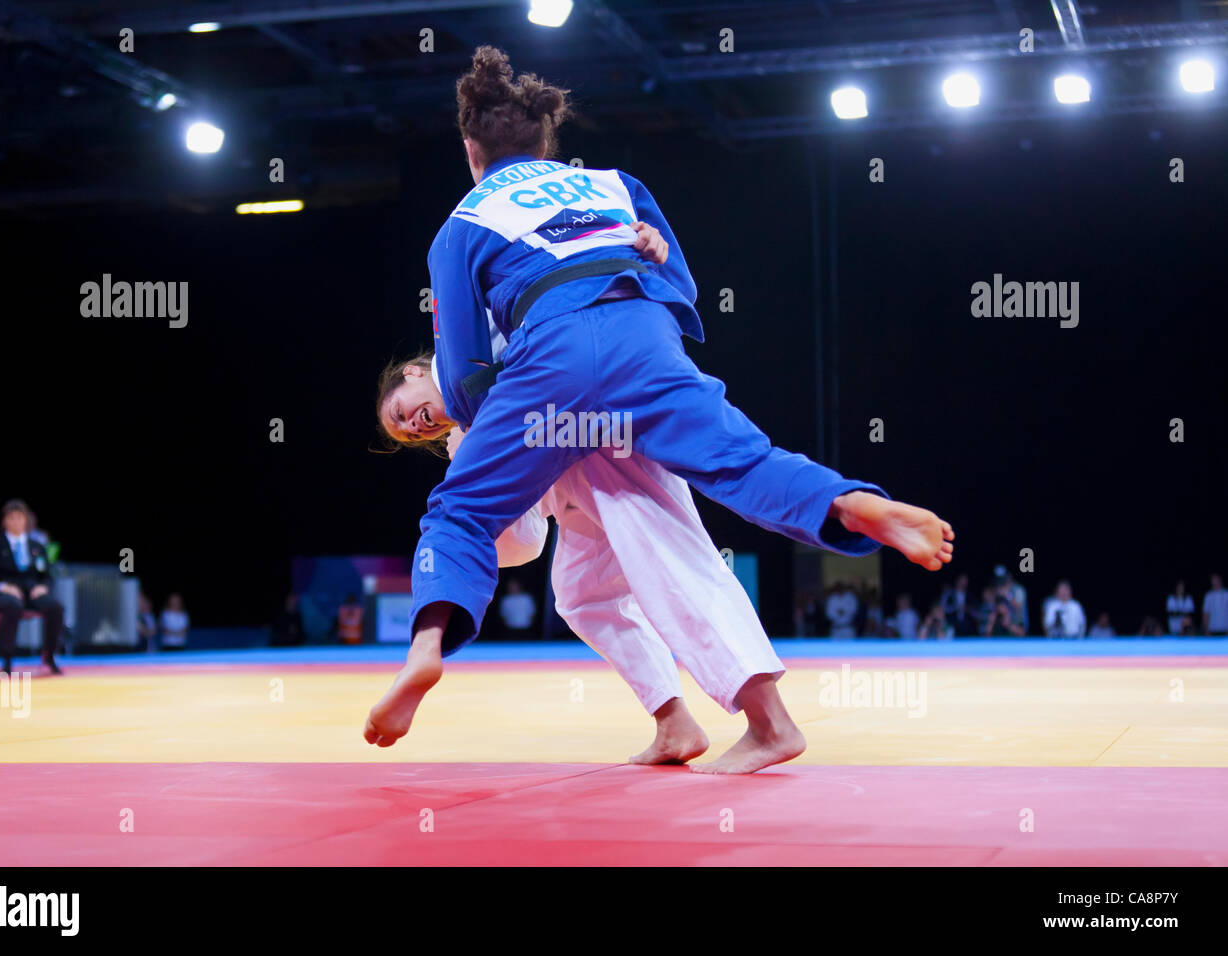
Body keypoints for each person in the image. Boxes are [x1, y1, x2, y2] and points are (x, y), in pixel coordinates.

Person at [368, 46, 954, 773]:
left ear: (470, 151)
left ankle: (427, 648)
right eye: (409, 430)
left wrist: (497, 427)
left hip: (553, 373)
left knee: (470, 516)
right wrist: (642, 272)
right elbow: (681, 288)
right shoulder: (614, 184)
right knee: (693, 501)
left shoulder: (460, 226)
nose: (419, 423)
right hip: (642, 342)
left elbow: (462, 373)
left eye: (410, 410)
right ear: (545, 141)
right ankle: (850, 504)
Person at [377, 349, 789, 767]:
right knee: (583, 595)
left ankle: (771, 725)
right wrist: (467, 452)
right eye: (411, 435)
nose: (414, 427)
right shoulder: (474, 424)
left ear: (413, 371)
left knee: (675, 571)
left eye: (401, 413)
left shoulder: (468, 347)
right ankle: (674, 723)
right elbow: (525, 544)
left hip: (600, 428)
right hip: (571, 474)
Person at [0, 499, 63, 675]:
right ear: (4, 521)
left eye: (19, 517)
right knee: (13, 605)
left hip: (32, 594)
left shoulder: (37, 547)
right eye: (12, 518)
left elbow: (47, 576)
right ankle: (7, 661)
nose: (16, 522)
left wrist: (42, 587)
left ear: (26, 520)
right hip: (4, 596)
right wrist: (3, 586)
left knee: (55, 607)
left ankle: (50, 656)